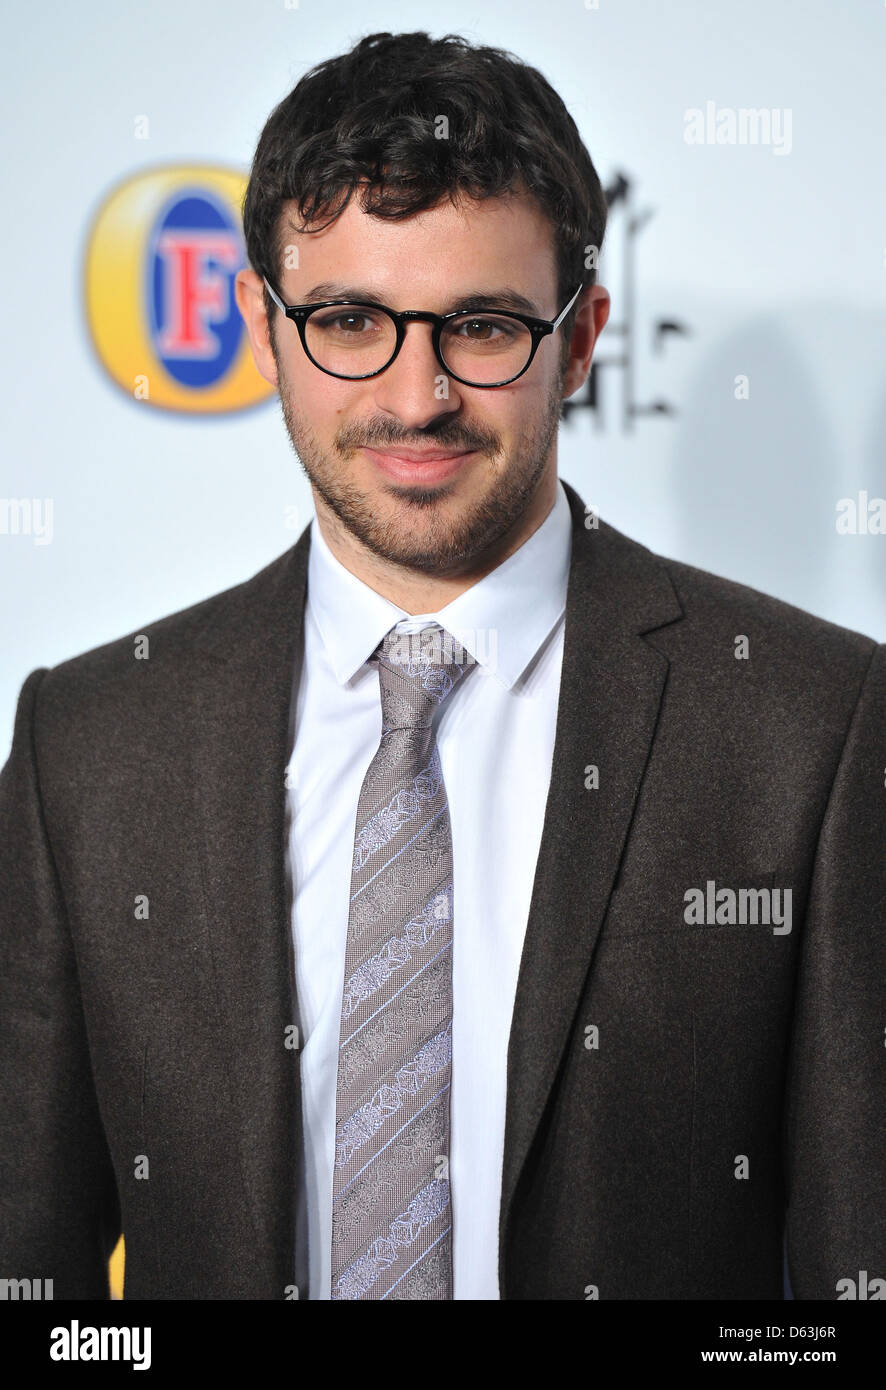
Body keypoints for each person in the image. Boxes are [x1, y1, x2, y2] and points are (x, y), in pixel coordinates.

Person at [1, 29, 883, 1302]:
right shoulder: (91, 743)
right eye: (349, 319)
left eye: (479, 326)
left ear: (579, 340)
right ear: (263, 327)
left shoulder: (810, 727)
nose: (415, 397)